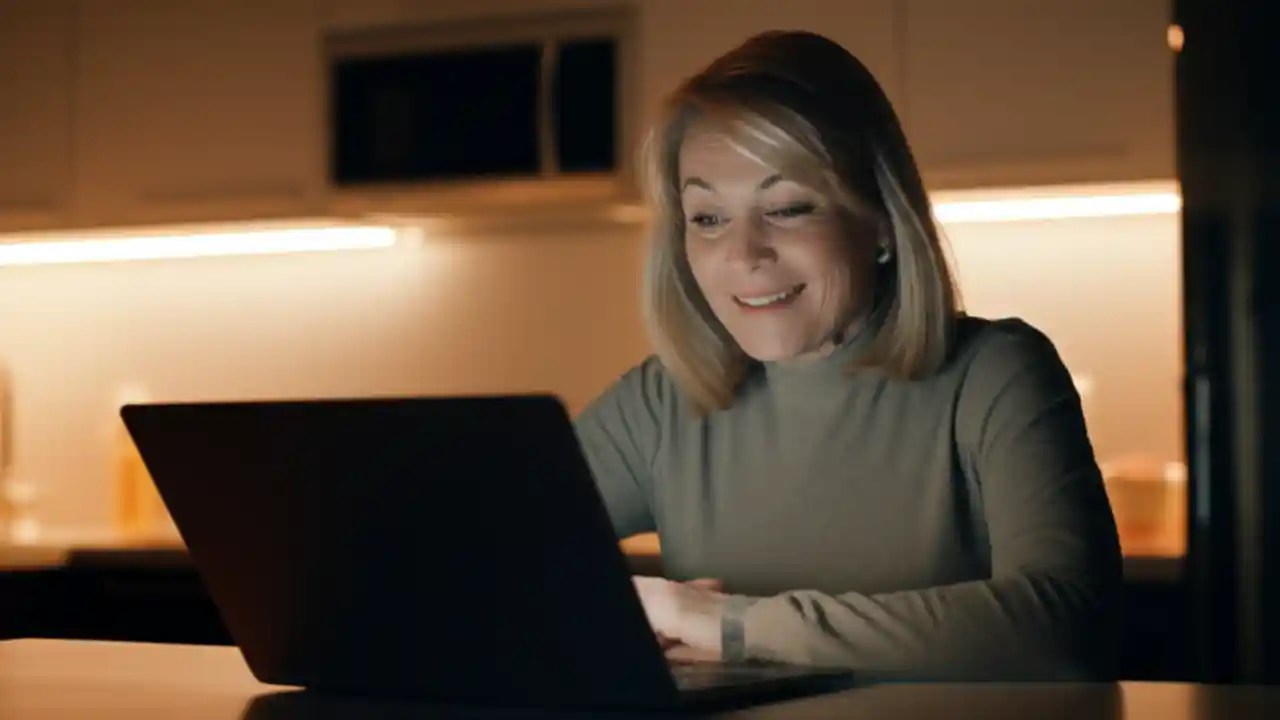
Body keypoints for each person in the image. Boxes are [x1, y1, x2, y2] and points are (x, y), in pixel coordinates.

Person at [572, 30, 1123, 681]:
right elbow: (473, 560)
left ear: (882, 221)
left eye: (787, 207)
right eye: (708, 218)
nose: (743, 255)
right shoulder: (661, 403)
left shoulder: (996, 374)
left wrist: (729, 626)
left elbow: (1064, 623)